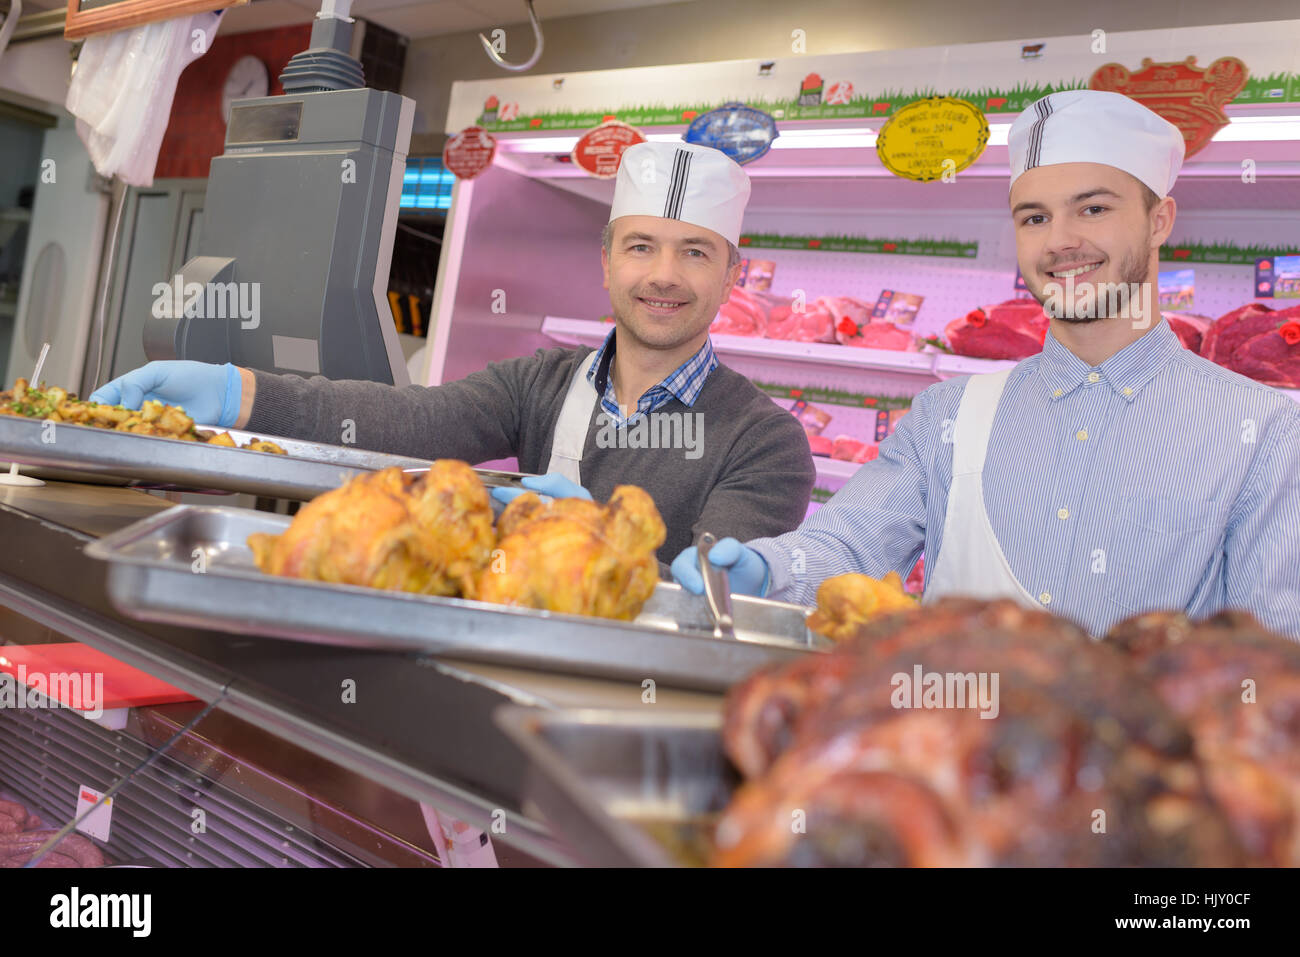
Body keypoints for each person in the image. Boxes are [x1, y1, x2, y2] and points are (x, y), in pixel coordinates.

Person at [674, 90, 1300, 639]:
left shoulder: (1263, 430)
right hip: (954, 759)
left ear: (1159, 219)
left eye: (1093, 208)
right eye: (1034, 217)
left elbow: (1270, 656)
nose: (1059, 240)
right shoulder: (950, 415)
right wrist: (762, 571)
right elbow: (846, 544)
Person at [92, 141, 815, 566]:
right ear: (605, 261)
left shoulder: (766, 442)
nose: (663, 274)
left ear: (732, 273)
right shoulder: (539, 384)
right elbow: (401, 419)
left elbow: (716, 612)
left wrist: (597, 536)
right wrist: (233, 393)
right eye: (640, 247)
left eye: (694, 252)